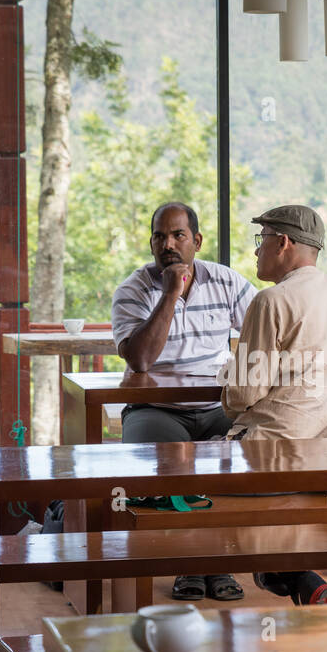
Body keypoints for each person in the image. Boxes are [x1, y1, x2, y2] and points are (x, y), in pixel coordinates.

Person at [109, 201, 257, 601]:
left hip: (219, 408)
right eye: (160, 236)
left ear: (197, 241)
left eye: (178, 235)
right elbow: (139, 359)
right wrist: (170, 295)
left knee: (251, 454)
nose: (168, 244)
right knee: (162, 464)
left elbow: (265, 330)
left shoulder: (226, 282)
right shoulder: (134, 290)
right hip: (156, 410)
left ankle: (214, 561)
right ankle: (188, 564)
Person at [220, 204, 327, 605]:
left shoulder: (271, 301)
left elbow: (242, 396)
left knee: (176, 481)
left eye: (260, 239)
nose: (256, 251)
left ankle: (206, 571)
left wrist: (228, 382)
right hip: (321, 459)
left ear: (282, 242)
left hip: (263, 457)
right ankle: (297, 577)